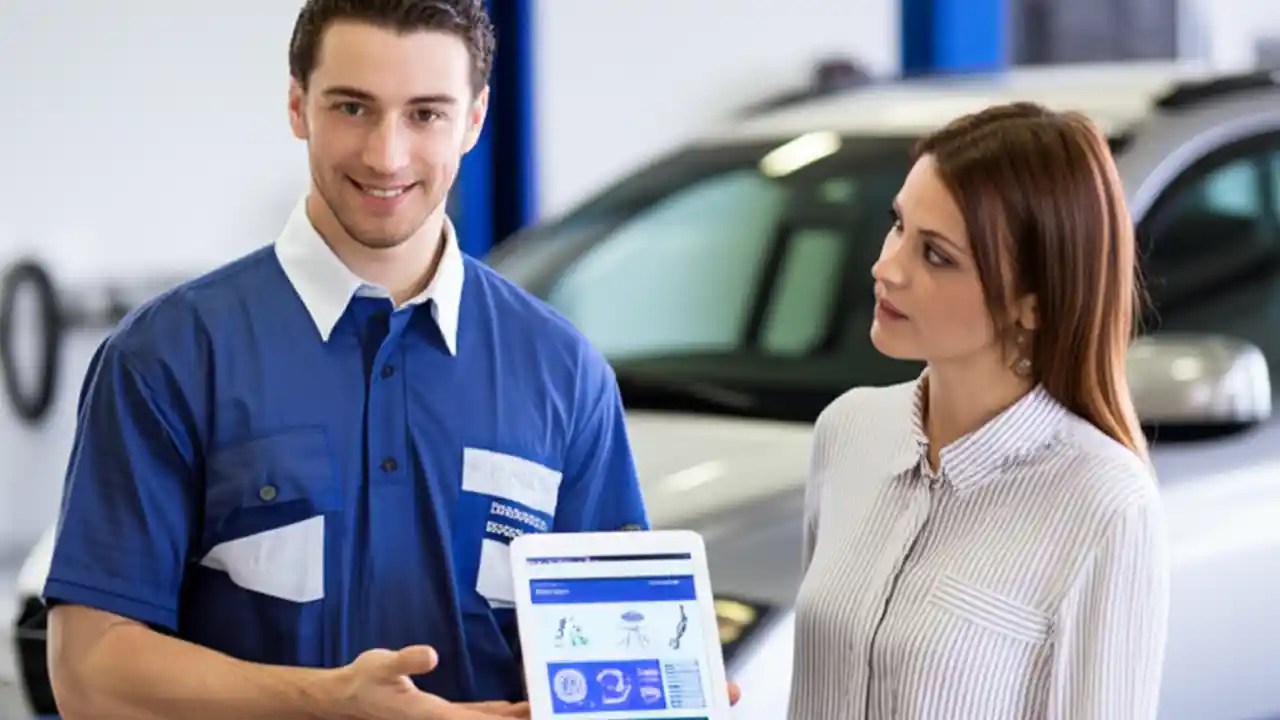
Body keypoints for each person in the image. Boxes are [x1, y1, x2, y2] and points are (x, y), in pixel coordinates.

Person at [41, 2, 647, 718]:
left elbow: (614, 658)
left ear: (475, 120)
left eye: (426, 114)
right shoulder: (168, 355)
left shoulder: (563, 371)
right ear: (298, 104)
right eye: (353, 107)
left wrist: (662, 690)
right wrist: (325, 703)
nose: (385, 155)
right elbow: (88, 668)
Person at [788, 103, 1170, 719]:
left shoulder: (1105, 503)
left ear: (1033, 304)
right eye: (898, 227)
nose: (886, 267)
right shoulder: (847, 430)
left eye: (936, 255)